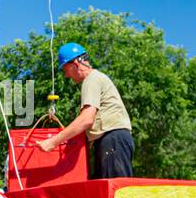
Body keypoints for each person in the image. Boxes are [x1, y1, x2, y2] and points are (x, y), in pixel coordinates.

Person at [37, 42, 134, 178]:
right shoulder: (97, 78)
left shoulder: (91, 79)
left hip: (112, 140)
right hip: (112, 140)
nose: (66, 75)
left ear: (75, 63)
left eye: (66, 70)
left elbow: (86, 119)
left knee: (115, 192)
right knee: (104, 191)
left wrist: (53, 142)